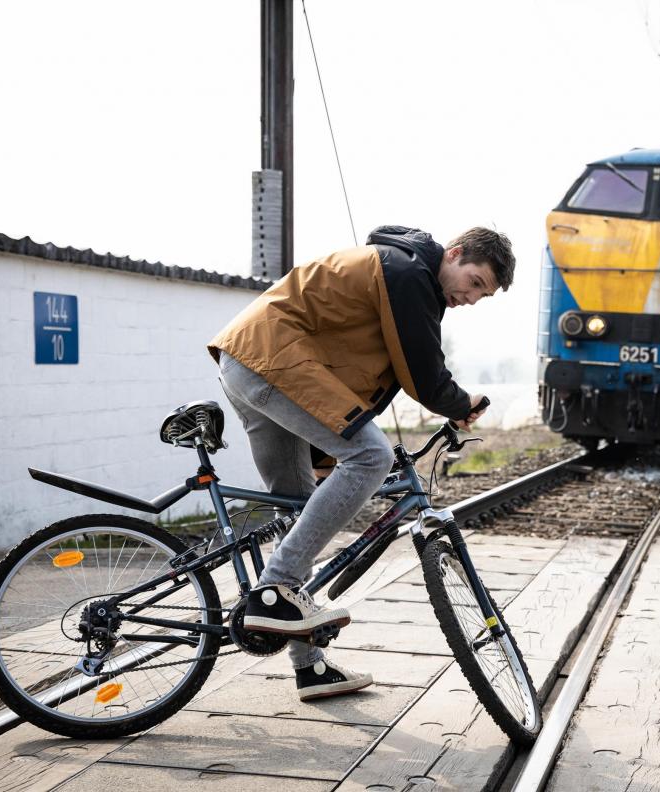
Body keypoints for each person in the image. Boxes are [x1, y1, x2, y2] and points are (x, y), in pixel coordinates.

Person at [208, 225, 515, 701]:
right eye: (474, 282)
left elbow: (360, 371)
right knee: (371, 456)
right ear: (454, 254)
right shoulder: (409, 274)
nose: (471, 297)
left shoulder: (402, 274)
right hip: (271, 359)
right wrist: (460, 402)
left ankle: (308, 666)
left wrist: (328, 454)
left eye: (483, 295)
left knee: (299, 516)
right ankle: (274, 590)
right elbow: (424, 375)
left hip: (254, 360)